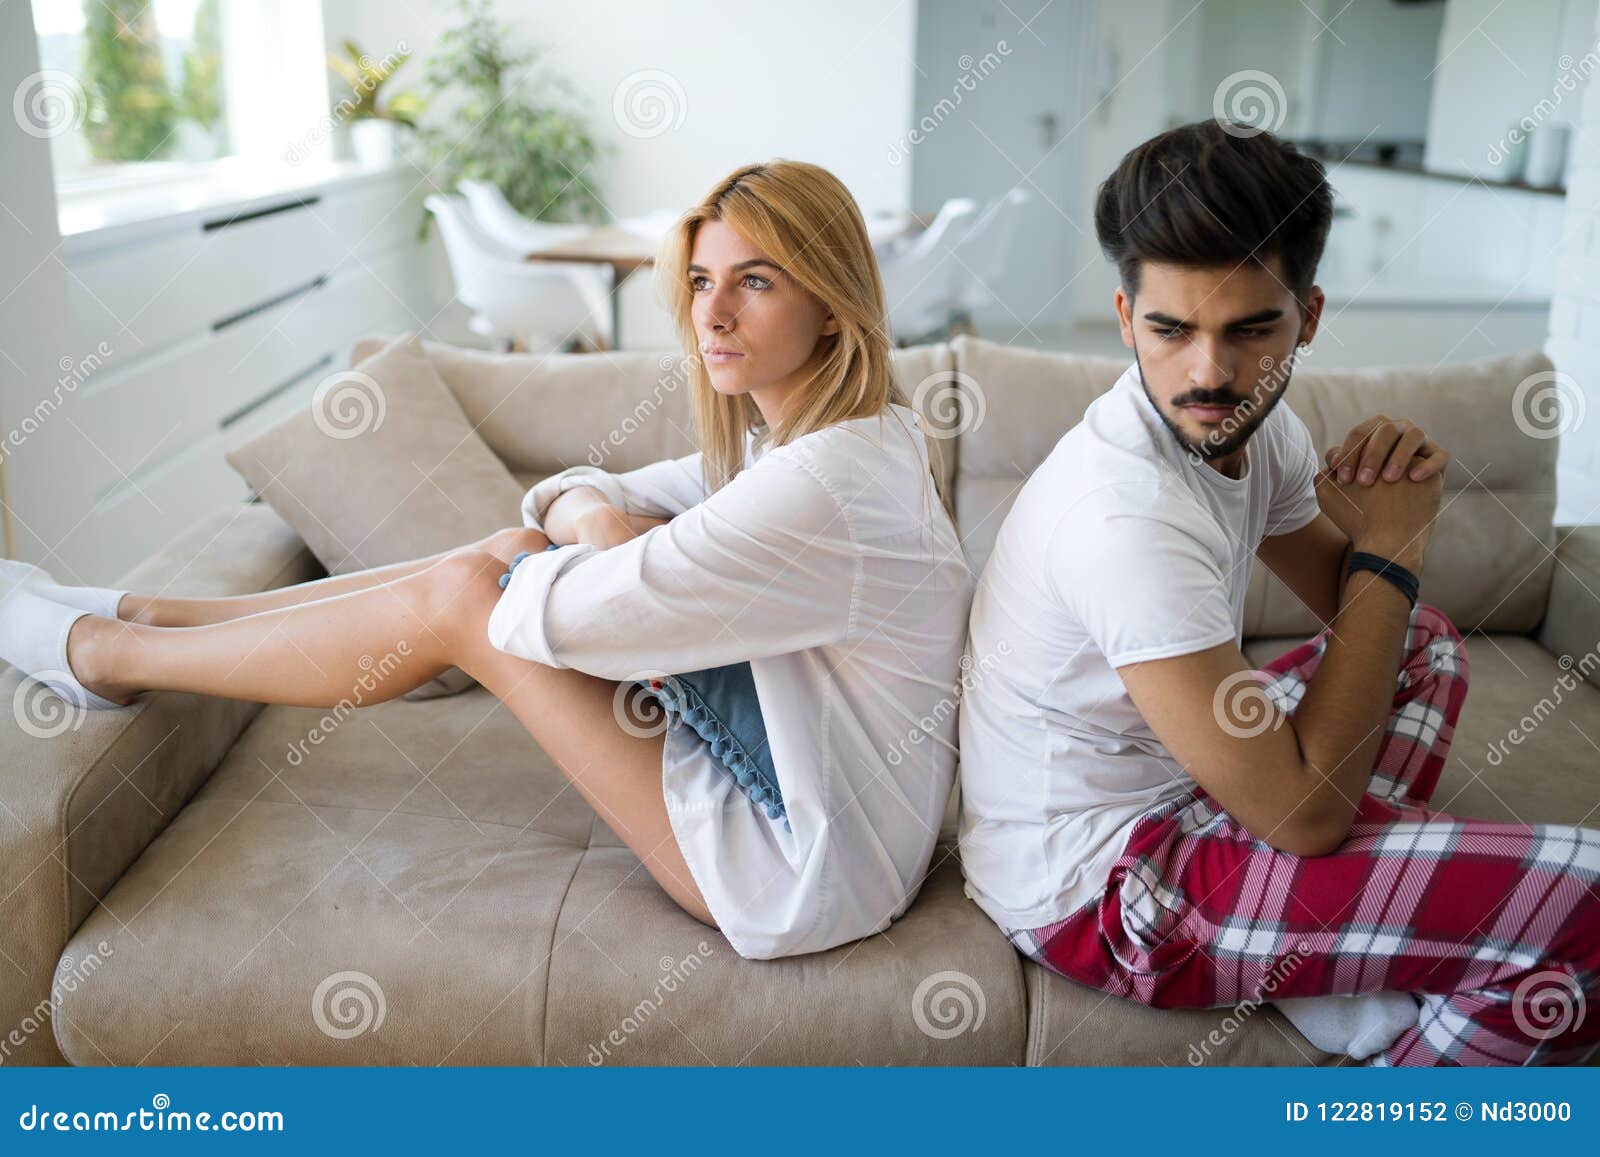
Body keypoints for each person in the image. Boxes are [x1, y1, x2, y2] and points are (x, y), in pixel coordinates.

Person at [0, 159, 974, 961]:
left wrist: (591, 543)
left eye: (755, 282)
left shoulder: (828, 483)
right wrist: (598, 525)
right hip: (802, 786)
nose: (711, 314)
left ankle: (104, 652)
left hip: (804, 866)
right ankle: (147, 620)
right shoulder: (811, 443)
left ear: (836, 310)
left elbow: (558, 621)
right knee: (505, 555)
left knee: (474, 593)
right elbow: (565, 489)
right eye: (700, 280)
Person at [955, 120, 1599, 1065]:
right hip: (1105, 890)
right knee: (1581, 900)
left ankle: (1350, 928)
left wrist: (1381, 549)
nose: (1209, 374)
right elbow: (1306, 815)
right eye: (1171, 330)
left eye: (1252, 329)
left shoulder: (1260, 428)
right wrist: (1393, 547)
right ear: (1127, 318)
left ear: (1310, 316)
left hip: (1194, 790)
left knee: (1425, 644)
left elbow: (1358, 606)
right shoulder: (1121, 516)